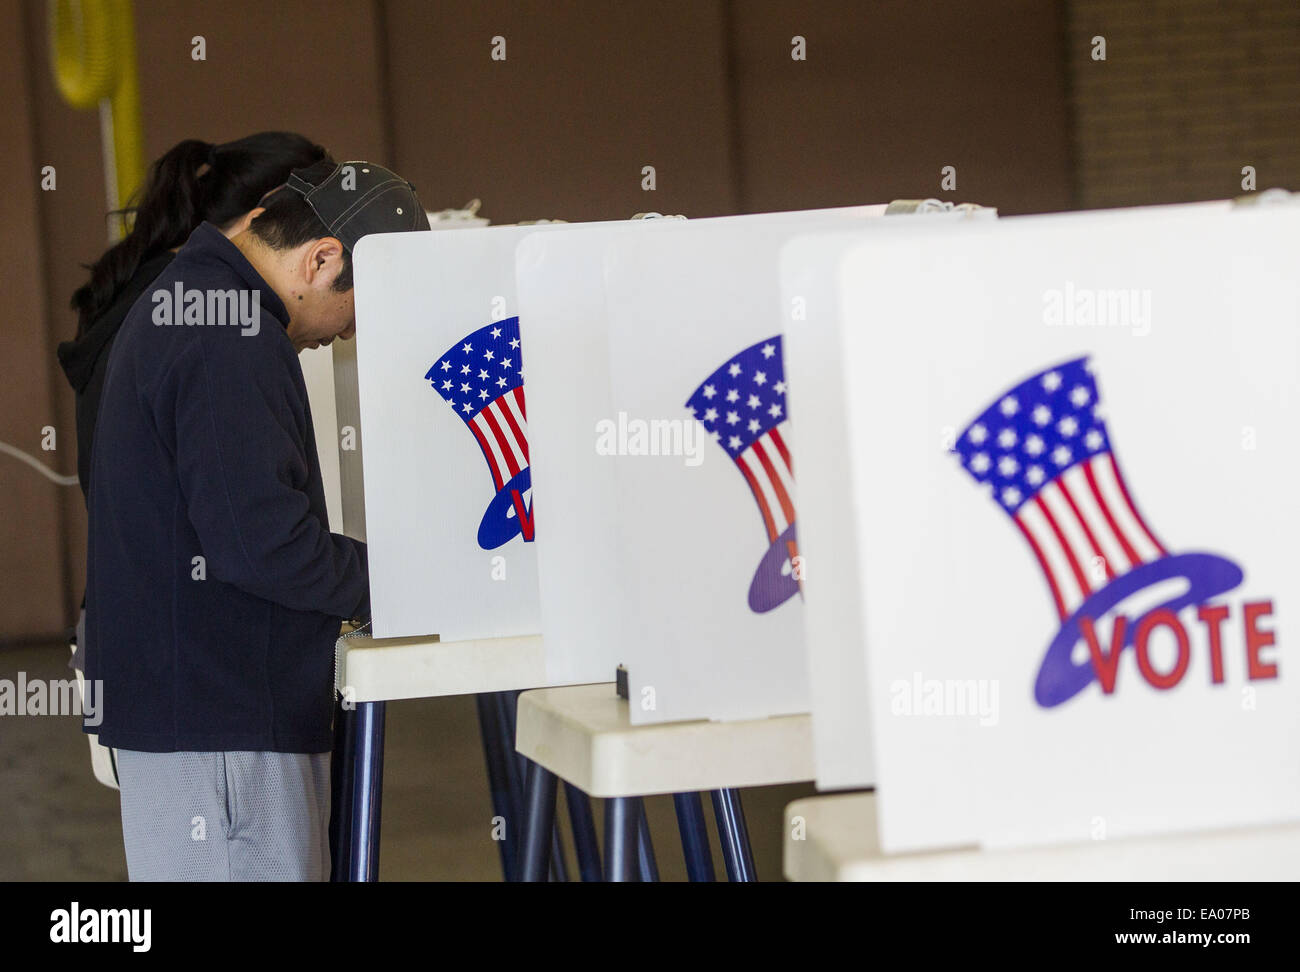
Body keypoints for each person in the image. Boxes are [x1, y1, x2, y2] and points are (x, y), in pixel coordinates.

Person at [83, 157, 431, 880]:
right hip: (220, 732)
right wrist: (415, 582)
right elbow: (262, 545)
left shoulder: (204, 304)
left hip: (205, 717)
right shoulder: (231, 337)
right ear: (323, 258)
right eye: (356, 314)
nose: (345, 336)